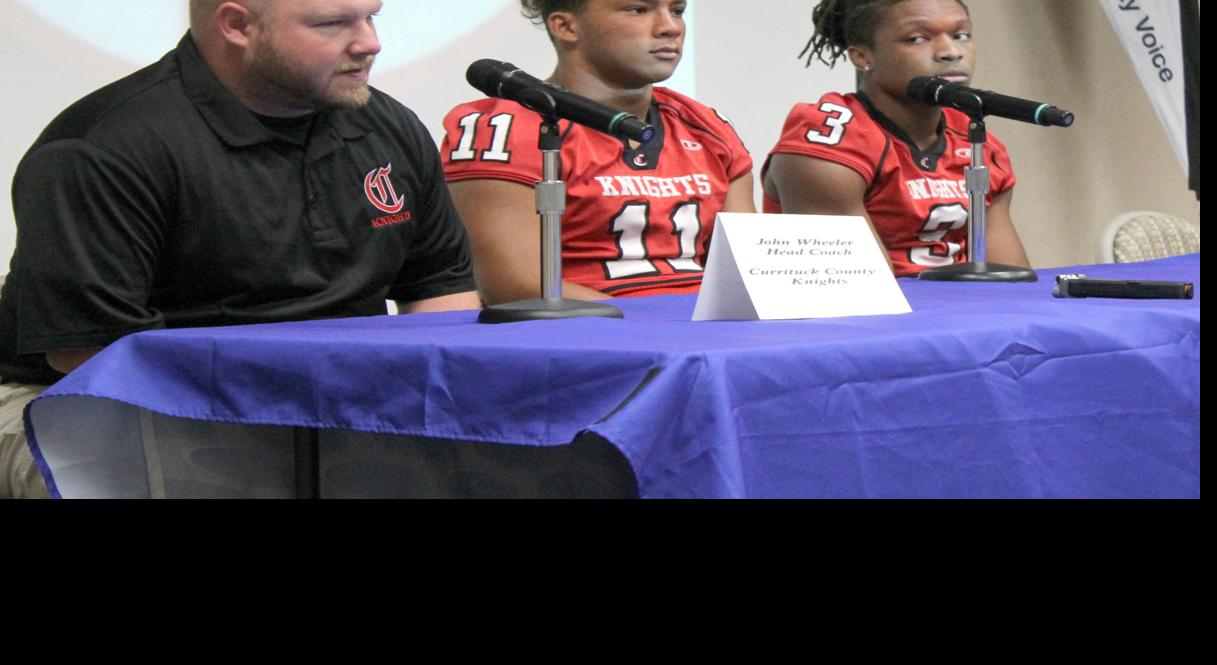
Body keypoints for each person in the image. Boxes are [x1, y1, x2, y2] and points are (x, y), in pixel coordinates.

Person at [0, 0, 481, 499]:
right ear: (236, 25)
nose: (369, 42)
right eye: (332, 24)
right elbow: (93, 356)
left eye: (371, 17)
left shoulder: (389, 128)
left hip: (334, 403)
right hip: (104, 403)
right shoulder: (106, 147)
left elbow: (441, 293)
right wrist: (304, 414)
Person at [443, 0, 753, 302]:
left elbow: (746, 271)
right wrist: (651, 329)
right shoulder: (504, 127)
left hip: (703, 336)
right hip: (587, 339)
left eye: (678, 11)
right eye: (638, 10)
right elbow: (514, 287)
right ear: (566, 26)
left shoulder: (705, 126)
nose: (670, 27)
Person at [763, 0, 1030, 277]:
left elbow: (1010, 283)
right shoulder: (830, 140)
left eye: (961, 35)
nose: (951, 52)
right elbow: (858, 290)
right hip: (874, 313)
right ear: (862, 57)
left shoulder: (976, 143)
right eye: (917, 39)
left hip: (962, 312)